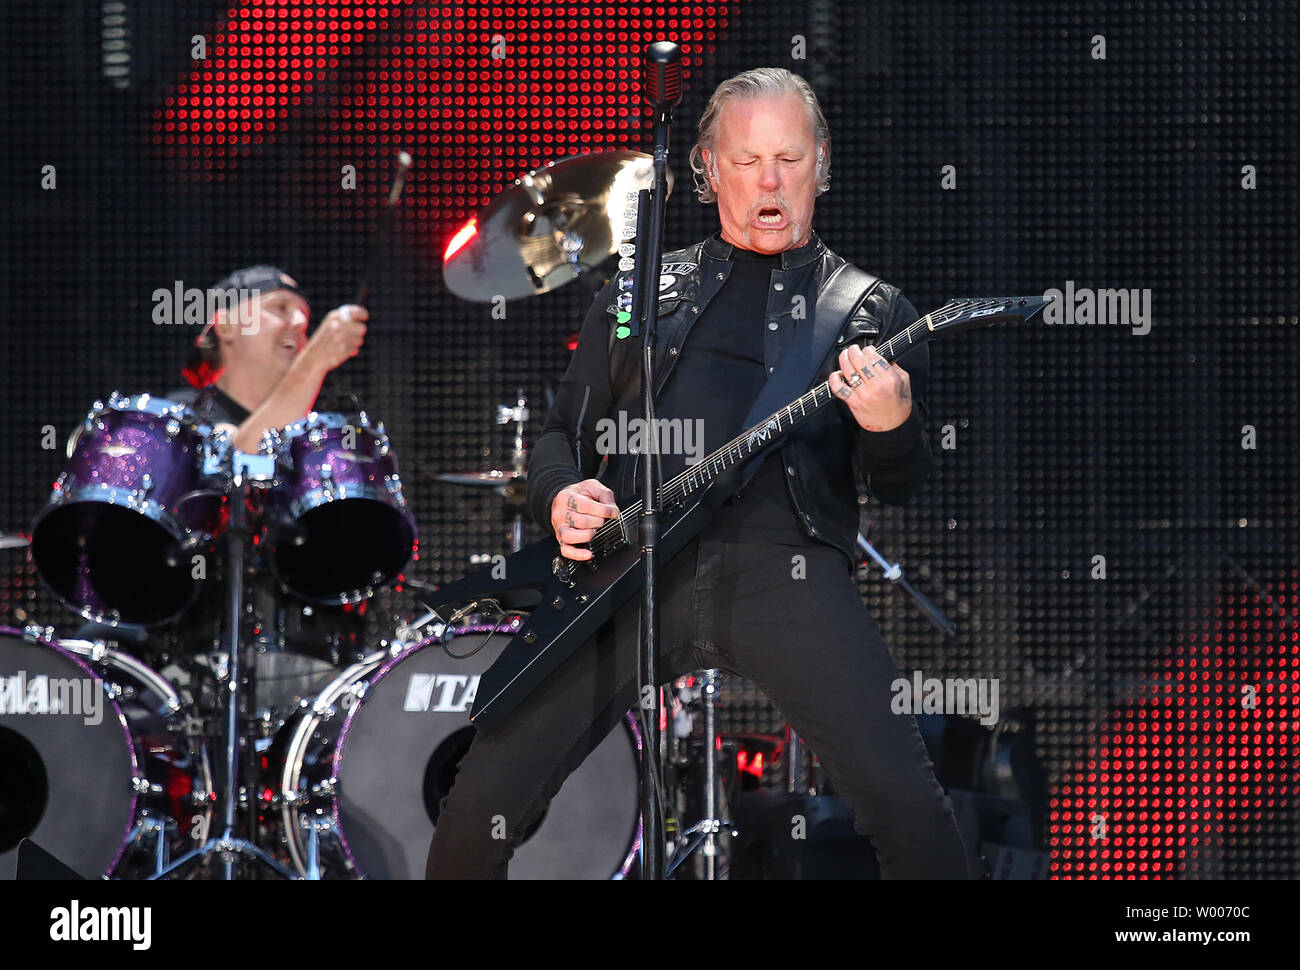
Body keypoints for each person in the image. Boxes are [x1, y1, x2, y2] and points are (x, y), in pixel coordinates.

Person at [425, 68, 974, 879]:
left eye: (789, 158)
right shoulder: (640, 291)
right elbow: (560, 438)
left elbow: (901, 484)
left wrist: (892, 427)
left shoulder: (871, 309)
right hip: (630, 567)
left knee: (911, 811)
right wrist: (559, 494)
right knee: (479, 804)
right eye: (747, 160)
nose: (771, 180)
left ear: (822, 164)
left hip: (786, 571)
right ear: (708, 168)